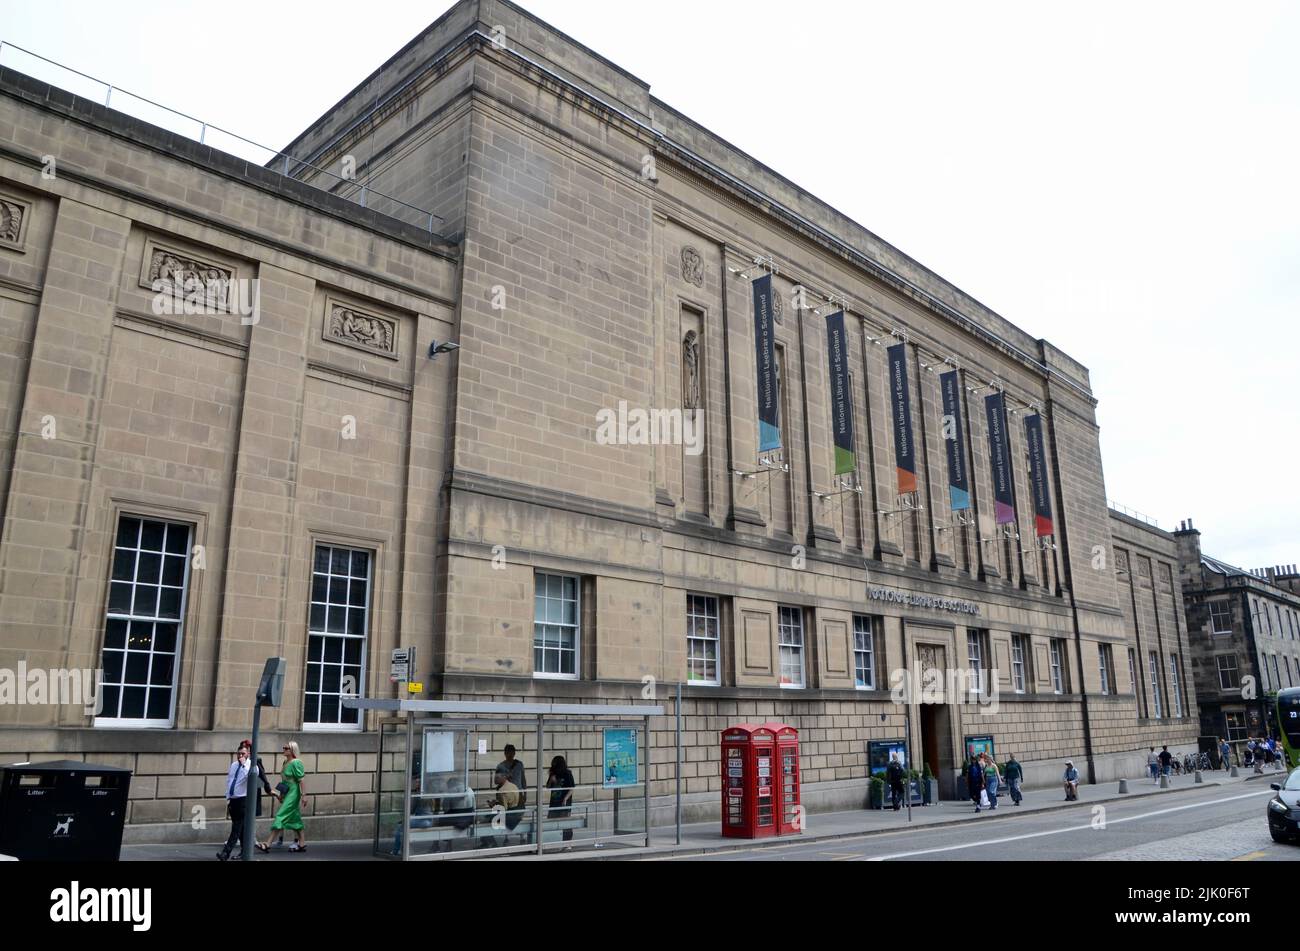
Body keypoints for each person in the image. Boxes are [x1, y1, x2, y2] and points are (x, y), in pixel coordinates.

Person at [217, 741, 268, 861]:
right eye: (238, 754)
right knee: (241, 830)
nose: (240, 756)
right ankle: (245, 852)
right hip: (233, 800)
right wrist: (228, 797)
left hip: (243, 801)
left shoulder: (252, 766)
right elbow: (229, 780)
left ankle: (225, 853)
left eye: (243, 754)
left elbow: (249, 778)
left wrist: (244, 764)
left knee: (236, 828)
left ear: (248, 754)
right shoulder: (234, 765)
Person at [257, 741, 307, 853]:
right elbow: (284, 781)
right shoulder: (285, 762)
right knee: (295, 817)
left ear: (292, 750)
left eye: (286, 748)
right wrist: (281, 795)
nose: (284, 749)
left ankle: (268, 843)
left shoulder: (296, 763)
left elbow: (301, 780)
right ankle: (302, 843)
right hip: (287, 791)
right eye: (284, 747)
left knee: (280, 816)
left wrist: (304, 796)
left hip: (294, 793)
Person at [546, 755, 576, 844]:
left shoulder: (567, 773)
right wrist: (551, 780)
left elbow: (572, 788)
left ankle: (567, 843)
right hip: (554, 802)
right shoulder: (553, 773)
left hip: (564, 802)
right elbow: (548, 786)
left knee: (565, 822)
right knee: (551, 821)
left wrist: (566, 798)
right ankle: (553, 841)